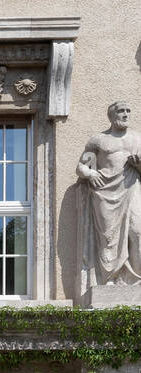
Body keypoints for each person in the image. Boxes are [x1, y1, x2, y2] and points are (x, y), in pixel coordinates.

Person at [78, 101, 141, 286]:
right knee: (108, 238)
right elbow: (81, 166)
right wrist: (90, 173)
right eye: (121, 111)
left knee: (137, 231)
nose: (126, 114)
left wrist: (138, 165)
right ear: (112, 116)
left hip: (131, 188)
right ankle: (109, 280)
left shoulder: (138, 139)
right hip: (104, 192)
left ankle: (135, 281)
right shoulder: (98, 140)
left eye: (128, 111)